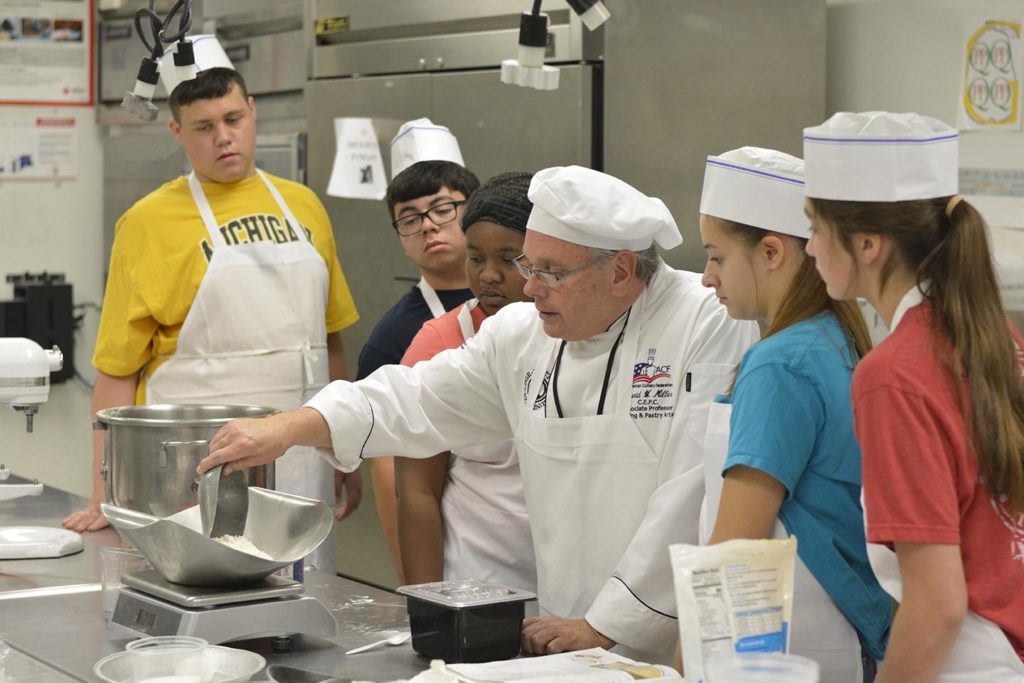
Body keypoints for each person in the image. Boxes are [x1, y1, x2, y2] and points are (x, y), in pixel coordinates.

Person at [199, 165, 759, 665]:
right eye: (527, 265)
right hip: (562, 635)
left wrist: (608, 623)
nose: (529, 287)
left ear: (620, 271)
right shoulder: (520, 334)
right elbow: (414, 397)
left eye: (550, 271)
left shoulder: (706, 322)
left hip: (667, 638)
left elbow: (693, 494)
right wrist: (292, 426)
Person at [62, 60, 362, 572]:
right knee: (203, 611)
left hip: (300, 460)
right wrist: (103, 492)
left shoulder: (304, 205)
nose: (224, 139)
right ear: (177, 130)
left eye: (233, 119)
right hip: (193, 467)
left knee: (302, 604)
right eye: (204, 127)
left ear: (252, 111)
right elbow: (117, 373)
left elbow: (327, 342)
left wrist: (345, 446)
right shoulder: (148, 222)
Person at [803, 111, 1024, 682]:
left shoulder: (893, 375)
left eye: (813, 227)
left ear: (868, 244)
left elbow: (938, 604)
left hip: (970, 664)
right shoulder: (999, 338)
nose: (808, 248)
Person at [690, 147, 891, 681]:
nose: (707, 277)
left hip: (799, 637)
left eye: (716, 256)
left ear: (772, 252)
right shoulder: (834, 337)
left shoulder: (781, 362)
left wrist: (693, 657)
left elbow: (739, 542)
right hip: (845, 634)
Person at [396, 171, 536, 591]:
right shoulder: (441, 340)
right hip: (476, 582)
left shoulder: (577, 333)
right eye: (476, 258)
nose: (489, 275)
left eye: (509, 259)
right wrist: (427, 603)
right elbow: (416, 489)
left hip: (571, 585)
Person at [362, 120, 480, 582]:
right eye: (410, 219)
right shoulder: (393, 336)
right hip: (452, 532)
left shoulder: (527, 299)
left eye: (443, 208)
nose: (428, 225)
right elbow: (389, 472)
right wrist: (412, 585)